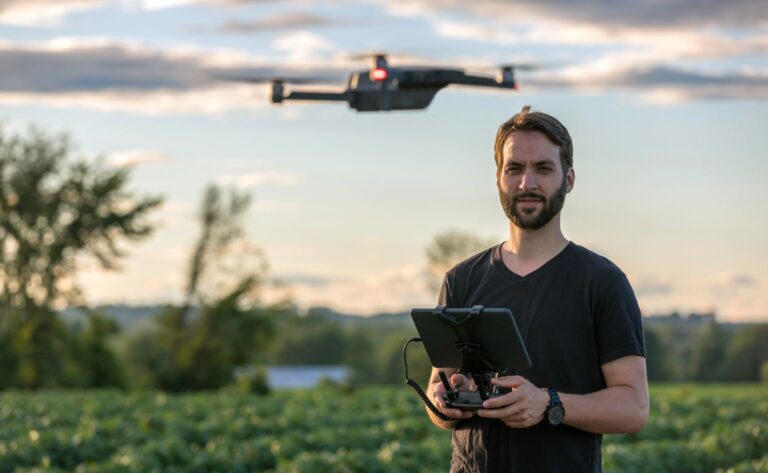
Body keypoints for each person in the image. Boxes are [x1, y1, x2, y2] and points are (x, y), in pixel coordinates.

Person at [426, 106, 649, 472]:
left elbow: (634, 408)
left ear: (569, 179)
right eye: (514, 168)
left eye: (543, 168)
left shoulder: (602, 283)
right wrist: (445, 400)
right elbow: (437, 396)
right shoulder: (461, 280)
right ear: (498, 177)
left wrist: (548, 403)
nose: (527, 183)